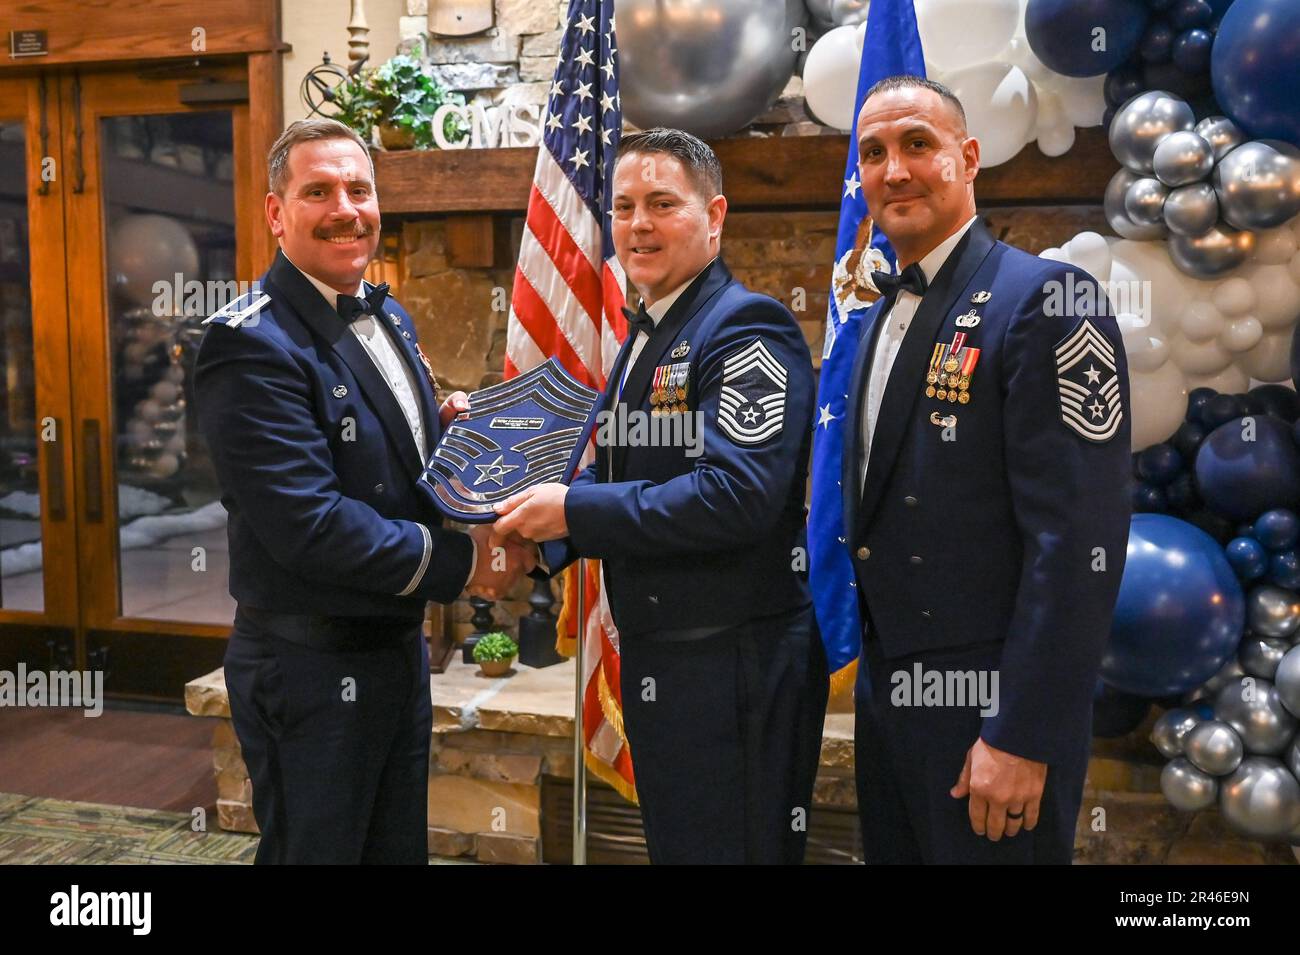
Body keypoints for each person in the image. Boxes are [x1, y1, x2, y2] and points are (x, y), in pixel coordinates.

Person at [194, 118, 534, 864]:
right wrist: (462, 560)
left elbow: (391, 462)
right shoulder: (248, 343)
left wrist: (461, 444)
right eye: (318, 191)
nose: (345, 208)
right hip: (310, 664)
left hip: (390, 649)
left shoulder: (390, 312)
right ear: (276, 213)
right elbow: (310, 524)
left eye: (359, 189)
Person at [493, 128, 829, 864]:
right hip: (673, 664)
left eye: (662, 203)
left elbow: (736, 496)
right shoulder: (653, 326)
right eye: (623, 206)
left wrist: (573, 511)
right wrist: (540, 530)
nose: (638, 224)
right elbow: (626, 476)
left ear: (715, 216)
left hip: (733, 668)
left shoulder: (745, 326)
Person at [840, 76, 1131, 864]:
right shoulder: (876, 319)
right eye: (873, 154)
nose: (894, 170)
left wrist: (1023, 733)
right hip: (891, 707)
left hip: (994, 719)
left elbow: (1078, 543)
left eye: (917, 145)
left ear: (969, 159)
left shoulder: (1047, 300)